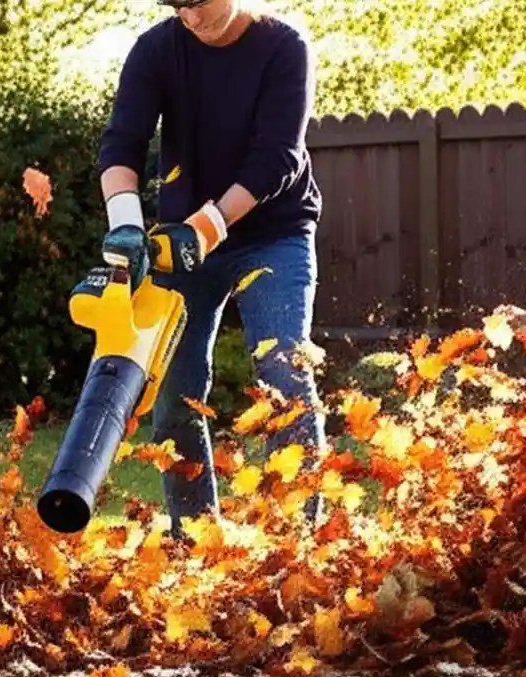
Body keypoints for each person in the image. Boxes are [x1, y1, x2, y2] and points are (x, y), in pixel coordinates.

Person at [95, 0, 326, 535]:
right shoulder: (156, 50)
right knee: (175, 393)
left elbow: (278, 156)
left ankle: (295, 542)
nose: (190, 16)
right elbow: (120, 145)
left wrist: (212, 224)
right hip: (180, 247)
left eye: (197, 2)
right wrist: (126, 224)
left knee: (283, 375)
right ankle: (194, 540)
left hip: (273, 236)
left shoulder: (283, 47)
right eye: (176, 5)